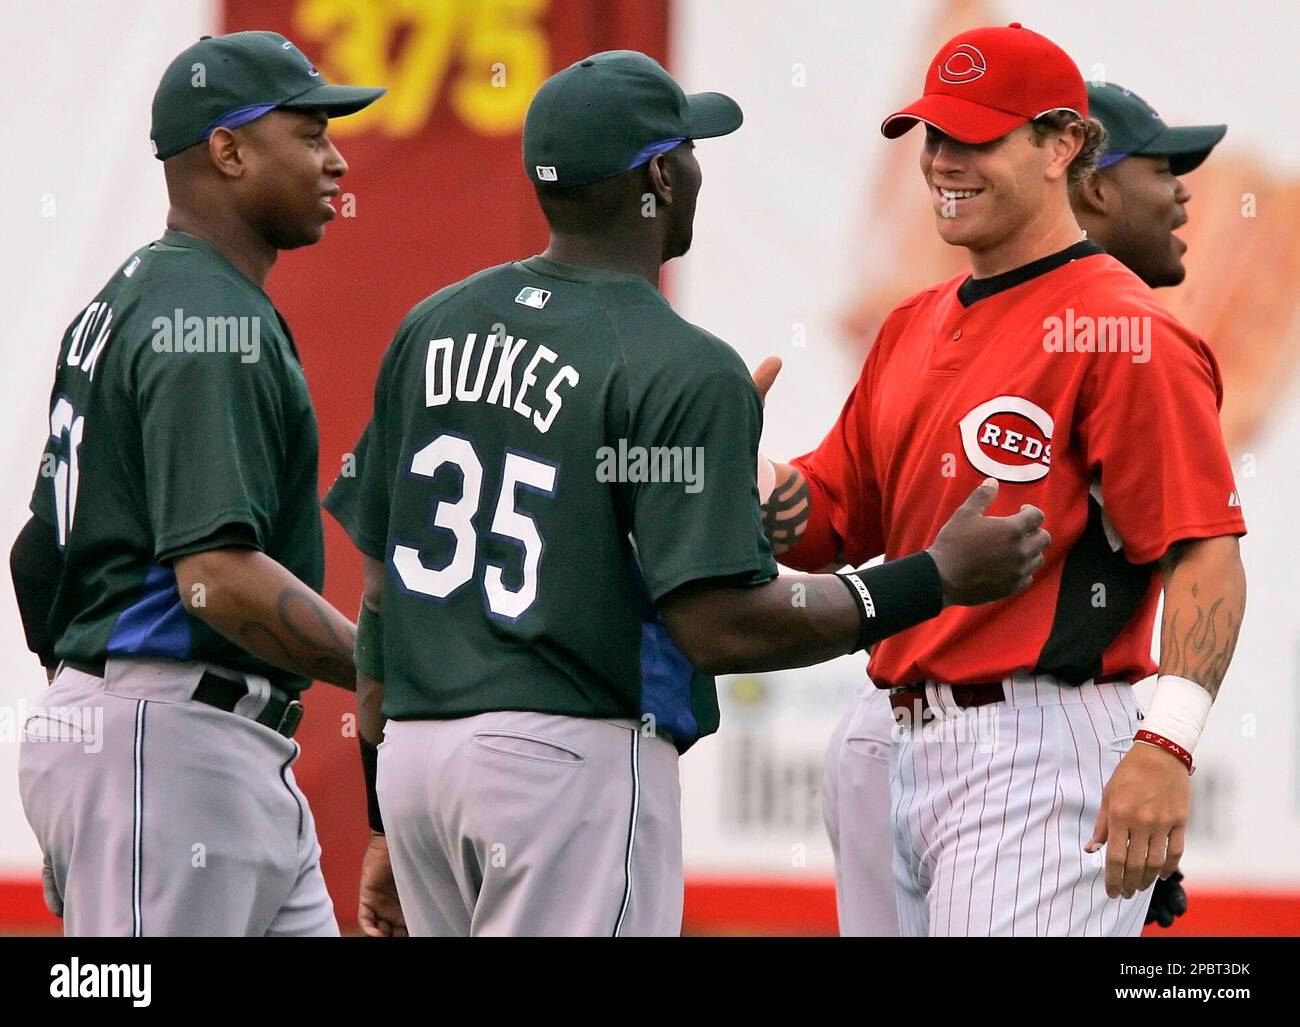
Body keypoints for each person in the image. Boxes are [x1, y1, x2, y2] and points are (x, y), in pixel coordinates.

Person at [323, 49, 1049, 937]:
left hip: (416, 760)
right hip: (562, 759)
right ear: (660, 177)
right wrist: (931, 577)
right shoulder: (679, 361)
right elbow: (723, 624)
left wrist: (380, 817)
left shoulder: (433, 324)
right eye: (691, 152)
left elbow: (379, 591)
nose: (700, 171)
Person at [760, 23, 1246, 936]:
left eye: (976, 136)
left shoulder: (1123, 329)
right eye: (933, 137)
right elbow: (828, 519)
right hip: (888, 738)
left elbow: (1205, 558)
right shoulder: (914, 320)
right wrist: (738, 466)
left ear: (1063, 144)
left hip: (1035, 746)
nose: (945, 161)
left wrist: (1167, 743)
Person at [11, 31, 384, 936]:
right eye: (309, 132)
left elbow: (35, 559)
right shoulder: (205, 313)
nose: (337, 160)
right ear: (228, 148)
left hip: (181, 740)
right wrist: (387, 668)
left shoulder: (136, 292)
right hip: (167, 741)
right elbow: (214, 574)